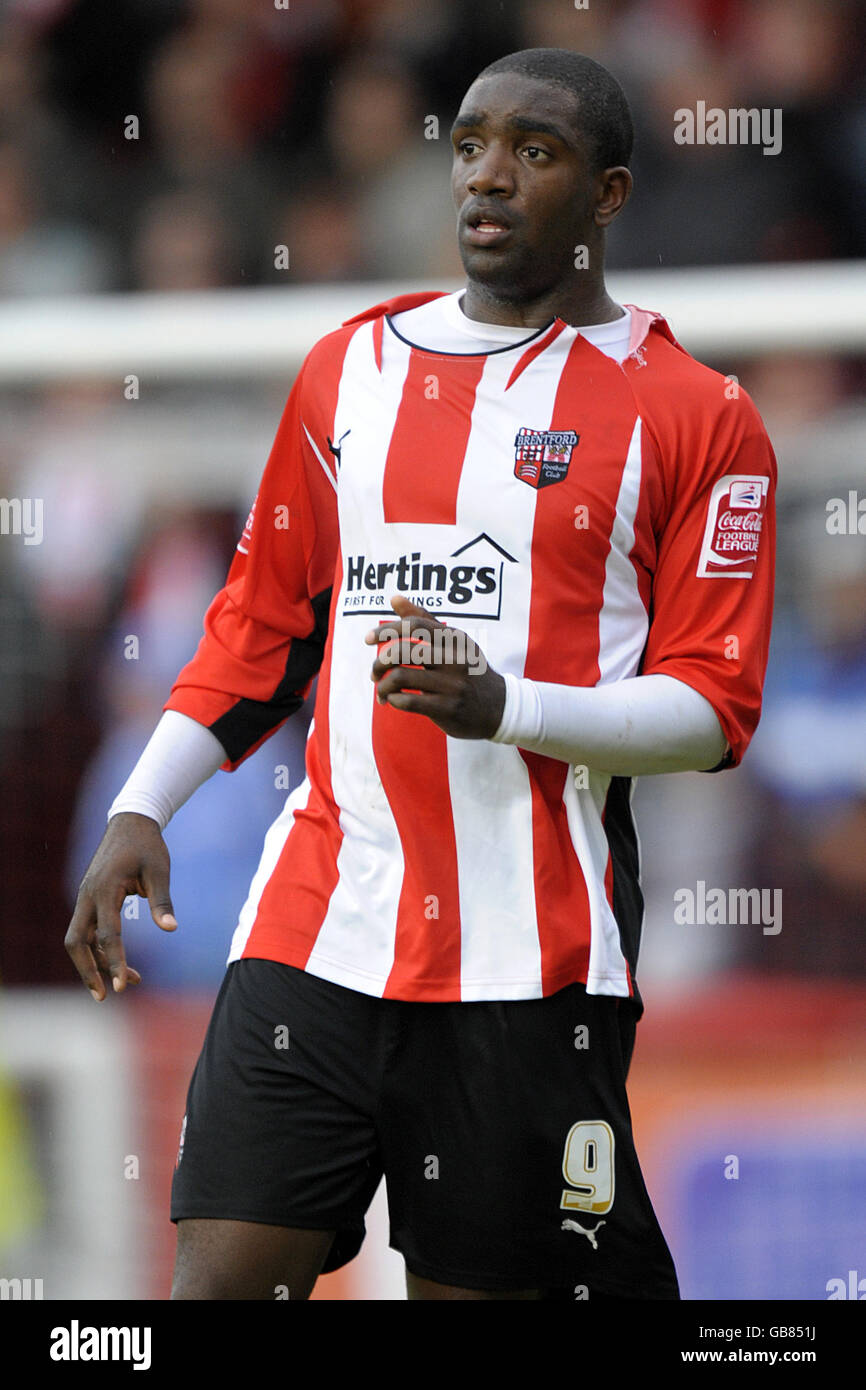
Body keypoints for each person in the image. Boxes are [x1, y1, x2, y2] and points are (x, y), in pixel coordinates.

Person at [65, 48, 776, 1301]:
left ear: (607, 194)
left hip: (532, 960)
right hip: (316, 923)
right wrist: (143, 802)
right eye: (469, 148)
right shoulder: (350, 368)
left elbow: (710, 713)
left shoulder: (697, 415)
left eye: (533, 153)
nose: (487, 180)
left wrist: (508, 706)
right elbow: (260, 620)